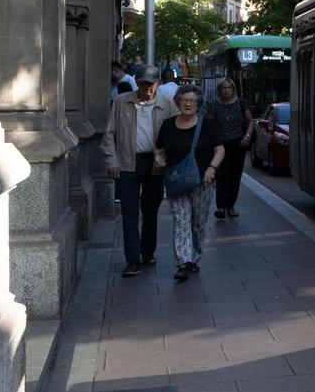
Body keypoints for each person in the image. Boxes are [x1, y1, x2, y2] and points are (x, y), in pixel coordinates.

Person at [100, 65, 177, 277]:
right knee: (129, 212)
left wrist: (169, 159)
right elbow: (109, 135)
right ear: (137, 83)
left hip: (155, 165)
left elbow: (176, 132)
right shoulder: (121, 101)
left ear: (157, 84)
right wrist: (111, 161)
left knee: (150, 212)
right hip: (127, 163)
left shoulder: (167, 104)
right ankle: (133, 260)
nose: (147, 88)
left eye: (151, 84)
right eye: (143, 83)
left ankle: (147, 252)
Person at [155, 85, 224, 282]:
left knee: (198, 223)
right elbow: (158, 148)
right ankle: (183, 262)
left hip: (202, 182)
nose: (187, 104)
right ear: (177, 103)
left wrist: (212, 168)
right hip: (176, 182)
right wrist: (158, 158)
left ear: (198, 104)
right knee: (180, 220)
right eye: (183, 100)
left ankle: (194, 256)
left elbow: (220, 149)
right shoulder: (168, 125)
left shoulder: (206, 125)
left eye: (191, 101)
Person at [206, 78, 253, 218]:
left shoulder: (240, 103)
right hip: (221, 146)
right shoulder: (214, 105)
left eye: (229, 87)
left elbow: (251, 121)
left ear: (233, 89)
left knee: (235, 176)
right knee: (221, 176)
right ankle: (221, 207)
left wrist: (247, 136)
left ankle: (231, 205)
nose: (226, 90)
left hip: (238, 144)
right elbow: (207, 125)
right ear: (219, 89)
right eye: (224, 88)